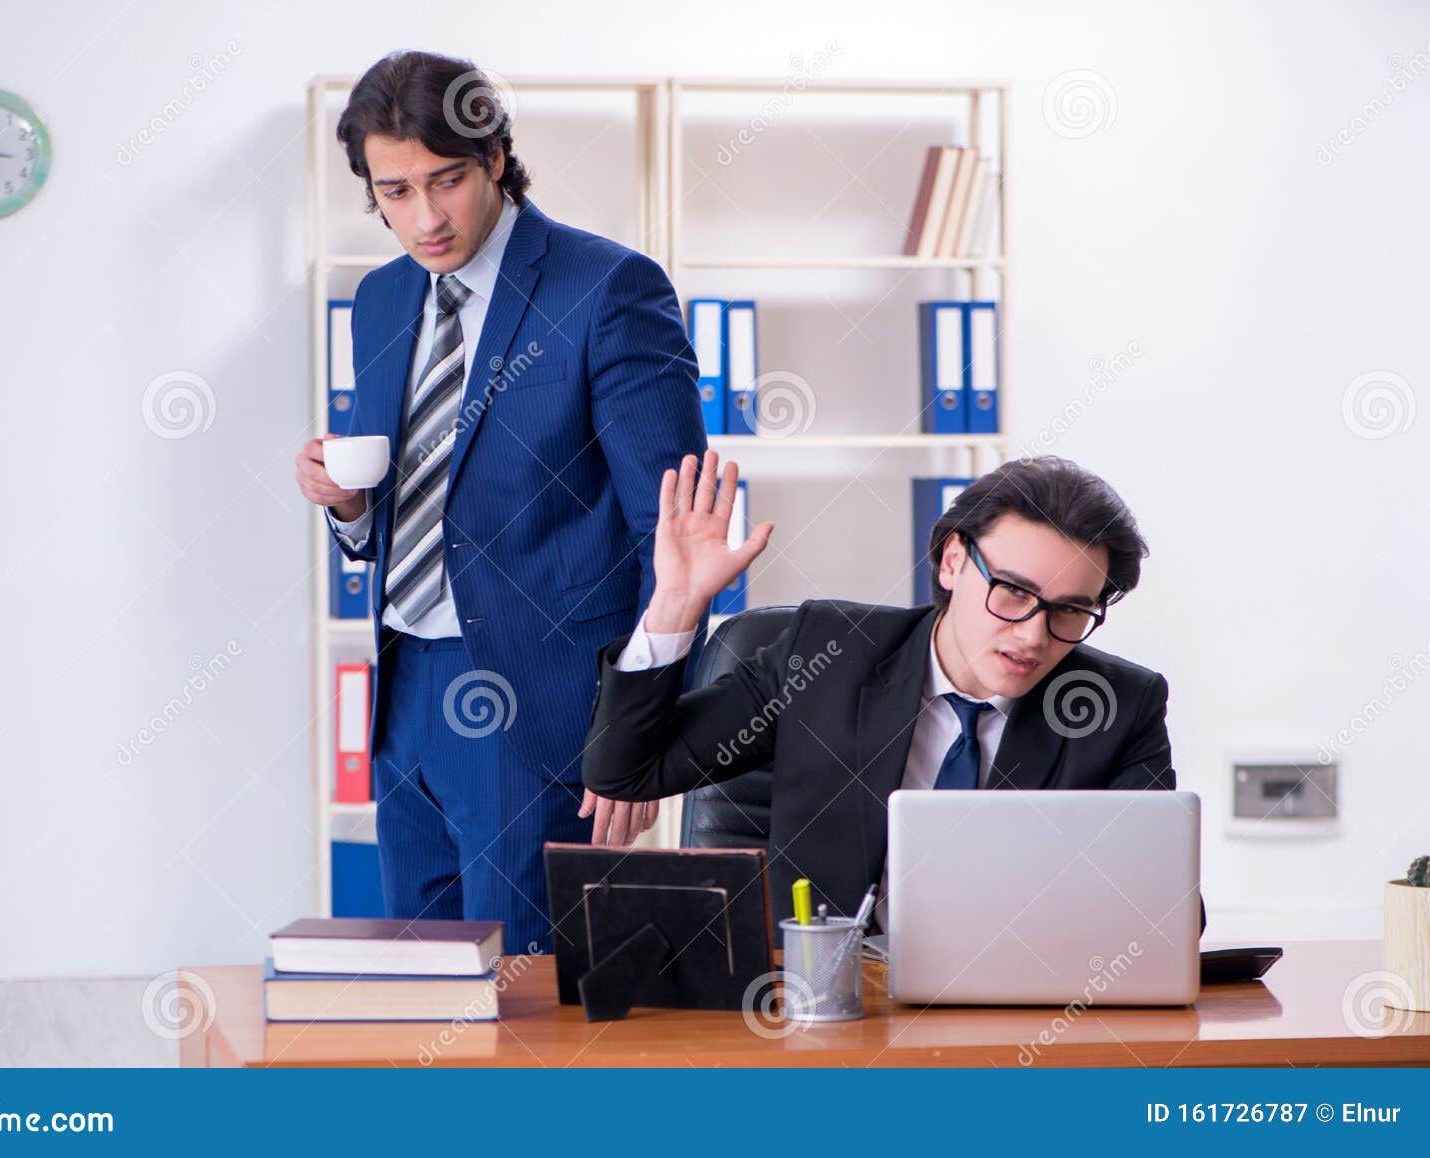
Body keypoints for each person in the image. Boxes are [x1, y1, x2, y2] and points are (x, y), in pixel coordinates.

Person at [294, 51, 706, 952]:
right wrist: (347, 506)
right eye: (394, 191)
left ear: (495, 158)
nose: (426, 217)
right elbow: (402, 500)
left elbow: (674, 538)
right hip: (404, 694)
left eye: (446, 181)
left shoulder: (607, 289)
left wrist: (639, 735)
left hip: (540, 707)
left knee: (525, 1016)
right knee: (416, 990)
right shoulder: (378, 300)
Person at [582, 451, 1205, 934]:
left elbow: (1167, 912)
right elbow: (627, 771)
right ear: (953, 561)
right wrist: (677, 600)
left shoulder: (1119, 706)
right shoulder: (825, 654)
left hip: (1018, 1017)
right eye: (1012, 592)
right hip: (826, 1013)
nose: (1034, 636)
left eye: (1070, 610)